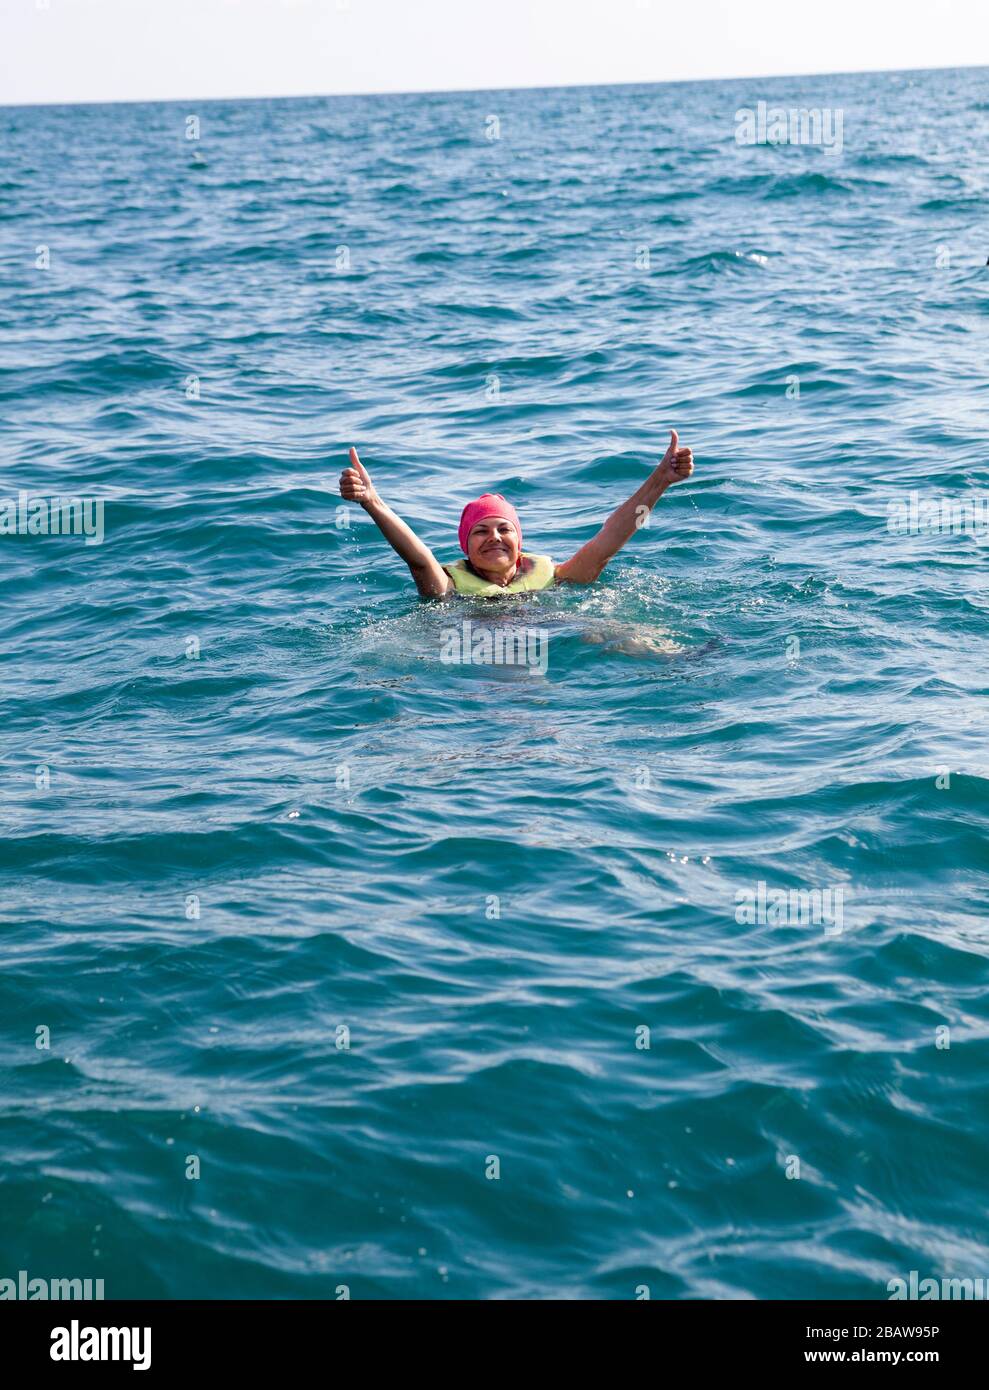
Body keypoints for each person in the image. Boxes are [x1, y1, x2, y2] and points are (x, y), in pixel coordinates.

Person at [338, 431, 694, 599]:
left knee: (618, 634)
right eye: (480, 531)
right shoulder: (447, 588)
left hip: (554, 635)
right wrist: (372, 502)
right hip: (476, 649)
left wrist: (661, 480)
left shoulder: (555, 578)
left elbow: (607, 541)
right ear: (465, 547)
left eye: (503, 528)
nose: (494, 536)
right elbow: (418, 559)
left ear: (519, 542)